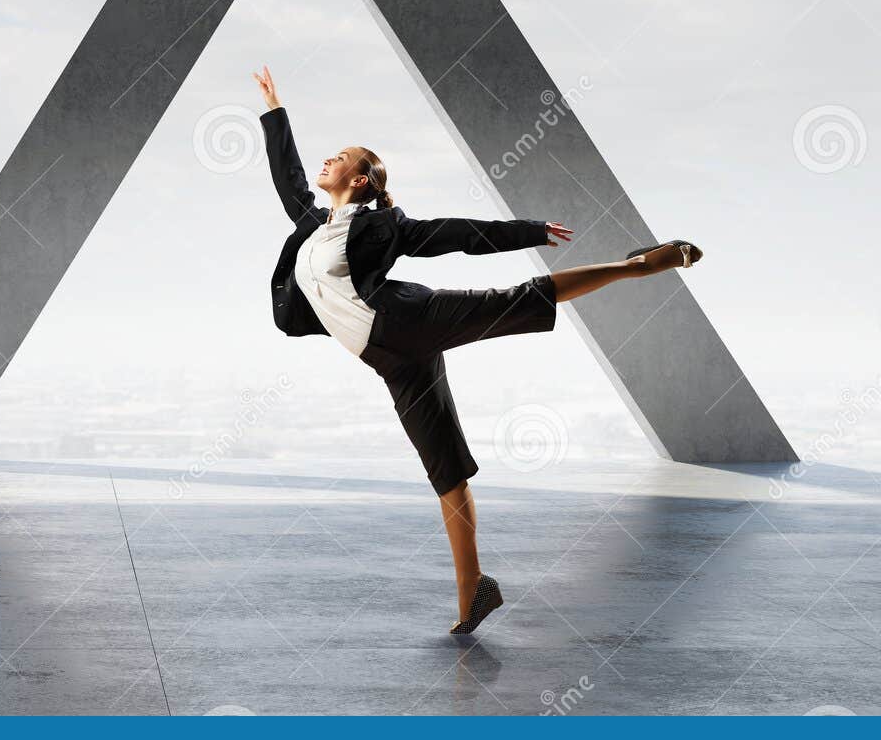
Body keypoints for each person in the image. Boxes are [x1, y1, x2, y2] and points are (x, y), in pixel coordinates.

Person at [252, 66, 701, 633]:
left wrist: (528, 231)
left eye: (340, 157)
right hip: (387, 358)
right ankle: (475, 589)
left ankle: (635, 266)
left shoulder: (384, 227)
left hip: (408, 319)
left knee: (514, 300)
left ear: (361, 180)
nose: (327, 160)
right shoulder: (313, 225)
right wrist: (274, 108)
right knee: (445, 470)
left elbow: (456, 235)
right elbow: (288, 178)